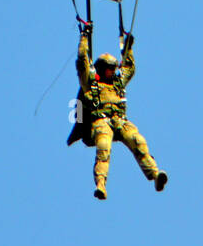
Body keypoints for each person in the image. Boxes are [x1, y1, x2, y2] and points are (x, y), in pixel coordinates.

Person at [67, 18, 168, 199]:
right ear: (102, 68)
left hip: (120, 121)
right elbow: (82, 62)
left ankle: (155, 175)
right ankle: (100, 184)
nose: (113, 71)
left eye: (114, 68)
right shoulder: (90, 84)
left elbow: (129, 68)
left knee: (138, 141)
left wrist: (128, 48)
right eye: (110, 68)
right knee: (104, 148)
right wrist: (84, 37)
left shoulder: (117, 83)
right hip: (101, 122)